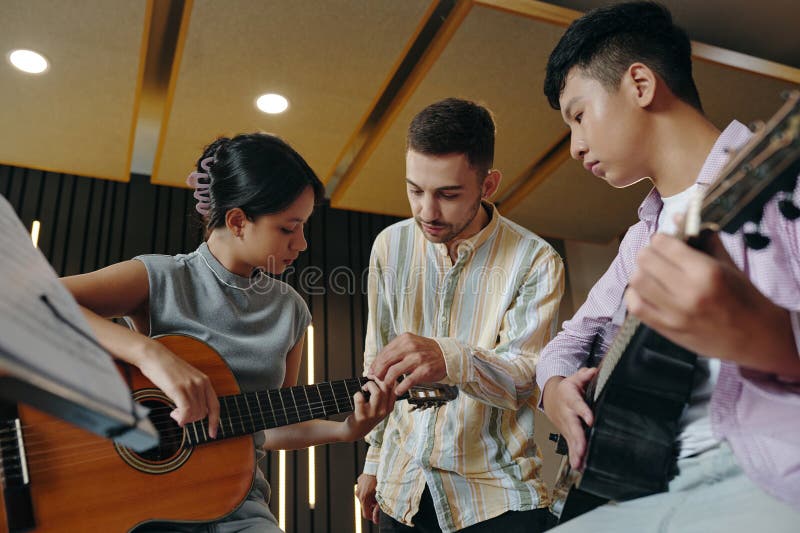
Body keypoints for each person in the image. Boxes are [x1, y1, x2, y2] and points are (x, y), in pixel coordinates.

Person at [536, 2, 800, 531]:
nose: (573, 147)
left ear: (639, 84)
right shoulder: (639, 242)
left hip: (772, 471)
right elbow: (565, 344)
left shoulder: (780, 182)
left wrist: (774, 341)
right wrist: (554, 392)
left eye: (578, 115)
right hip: (647, 484)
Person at [61, 132, 396, 532]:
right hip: (141, 504)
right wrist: (151, 354)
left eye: (304, 226)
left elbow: (272, 425)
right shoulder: (161, 277)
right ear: (238, 221)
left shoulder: (290, 311)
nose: (302, 243)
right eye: (289, 228)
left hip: (237, 506)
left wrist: (345, 431)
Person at [356, 98, 565, 532]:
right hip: (402, 490)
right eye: (415, 189)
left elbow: (527, 378)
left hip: (498, 497)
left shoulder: (536, 260)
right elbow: (377, 362)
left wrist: (451, 358)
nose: (426, 212)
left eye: (448, 194)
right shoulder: (389, 247)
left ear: (488, 185)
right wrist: (374, 460)